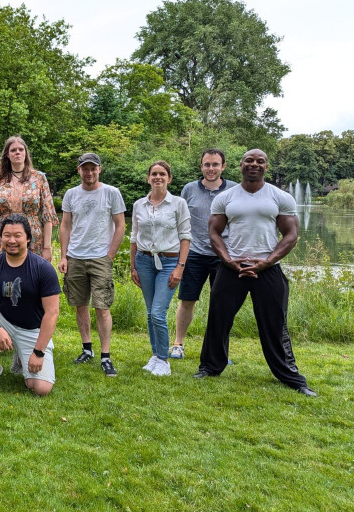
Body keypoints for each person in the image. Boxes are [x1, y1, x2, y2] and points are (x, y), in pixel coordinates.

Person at [194, 149, 317, 396]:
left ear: (266, 167)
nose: (254, 164)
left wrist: (267, 261)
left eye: (260, 161)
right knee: (218, 318)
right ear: (240, 165)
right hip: (232, 268)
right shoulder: (226, 198)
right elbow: (214, 232)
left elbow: (291, 235)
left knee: (275, 324)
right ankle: (209, 367)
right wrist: (228, 260)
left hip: (268, 270)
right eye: (249, 160)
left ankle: (290, 377)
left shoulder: (280, 197)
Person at [0, 214, 60, 396]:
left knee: (40, 388)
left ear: (28, 238)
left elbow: (52, 313)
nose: (11, 240)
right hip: (2, 320)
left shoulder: (43, 269)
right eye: (7, 235)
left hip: (32, 329)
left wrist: (38, 352)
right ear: (1, 238)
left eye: (17, 235)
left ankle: (23, 354)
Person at [58, 153, 126, 377]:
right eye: (85, 168)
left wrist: (110, 256)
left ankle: (106, 356)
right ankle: (87, 348)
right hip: (75, 256)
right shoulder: (71, 194)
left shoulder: (111, 193)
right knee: (80, 305)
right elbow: (65, 225)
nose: (89, 172)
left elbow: (120, 226)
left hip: (100, 258)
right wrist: (64, 256)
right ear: (79, 170)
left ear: (100, 169)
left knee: (102, 307)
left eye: (93, 168)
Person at [170, 149, 238, 359]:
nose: (211, 168)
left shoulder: (235, 190)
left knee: (222, 304)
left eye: (215, 164)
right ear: (201, 167)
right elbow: (179, 221)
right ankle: (178, 344)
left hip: (224, 255)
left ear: (223, 167)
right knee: (187, 300)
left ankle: (219, 350)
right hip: (194, 253)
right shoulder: (189, 189)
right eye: (207, 164)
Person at [130, 161, 191, 377]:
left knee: (158, 312)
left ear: (169, 178)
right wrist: (133, 266)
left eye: (162, 174)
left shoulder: (178, 203)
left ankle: (164, 360)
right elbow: (134, 236)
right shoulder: (139, 205)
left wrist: (180, 267)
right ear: (148, 178)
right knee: (149, 312)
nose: (158, 177)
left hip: (169, 262)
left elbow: (185, 236)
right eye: (154, 174)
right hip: (144, 261)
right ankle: (155, 355)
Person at [0, 136, 58, 262]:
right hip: (6, 236)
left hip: (32, 237)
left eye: (21, 149)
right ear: (7, 155)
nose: (17, 152)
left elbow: (47, 214)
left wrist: (47, 247)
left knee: (32, 275)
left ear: (26, 154)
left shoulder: (38, 178)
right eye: (13, 150)